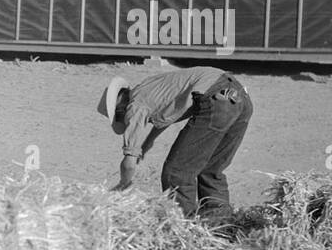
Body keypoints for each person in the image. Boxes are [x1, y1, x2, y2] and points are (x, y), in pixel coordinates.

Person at [97, 66, 253, 228]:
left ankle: (185, 230)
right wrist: (148, 142)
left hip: (215, 99)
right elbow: (165, 115)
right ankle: (221, 226)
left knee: (176, 173)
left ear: (120, 109)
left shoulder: (134, 106)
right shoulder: (147, 88)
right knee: (211, 170)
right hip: (239, 97)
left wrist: (123, 184)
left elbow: (129, 161)